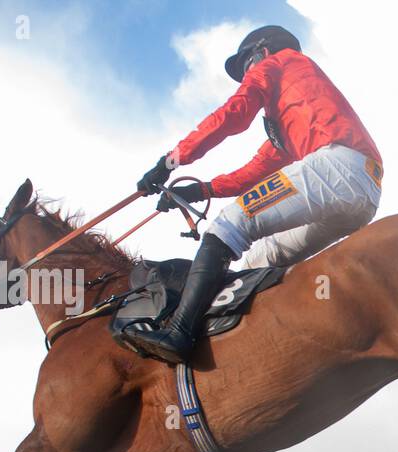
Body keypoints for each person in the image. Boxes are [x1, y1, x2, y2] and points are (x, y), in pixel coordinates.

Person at [124, 24, 384, 365]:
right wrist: (201, 189)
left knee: (227, 225)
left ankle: (180, 334)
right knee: (262, 257)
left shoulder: (277, 62)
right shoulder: (292, 113)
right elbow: (257, 170)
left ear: (260, 53)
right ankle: (255, 349)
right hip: (361, 191)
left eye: (245, 65)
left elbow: (233, 114)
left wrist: (171, 160)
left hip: (339, 166)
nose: (247, 74)